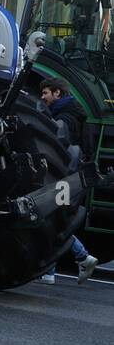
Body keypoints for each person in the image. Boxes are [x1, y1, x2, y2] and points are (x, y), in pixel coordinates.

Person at [38, 80, 100, 283]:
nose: (42, 97)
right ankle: (82, 257)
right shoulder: (78, 114)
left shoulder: (64, 118)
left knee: (50, 217)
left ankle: (50, 271)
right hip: (72, 178)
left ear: (57, 93)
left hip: (62, 176)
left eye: (45, 93)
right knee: (57, 218)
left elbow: (56, 144)